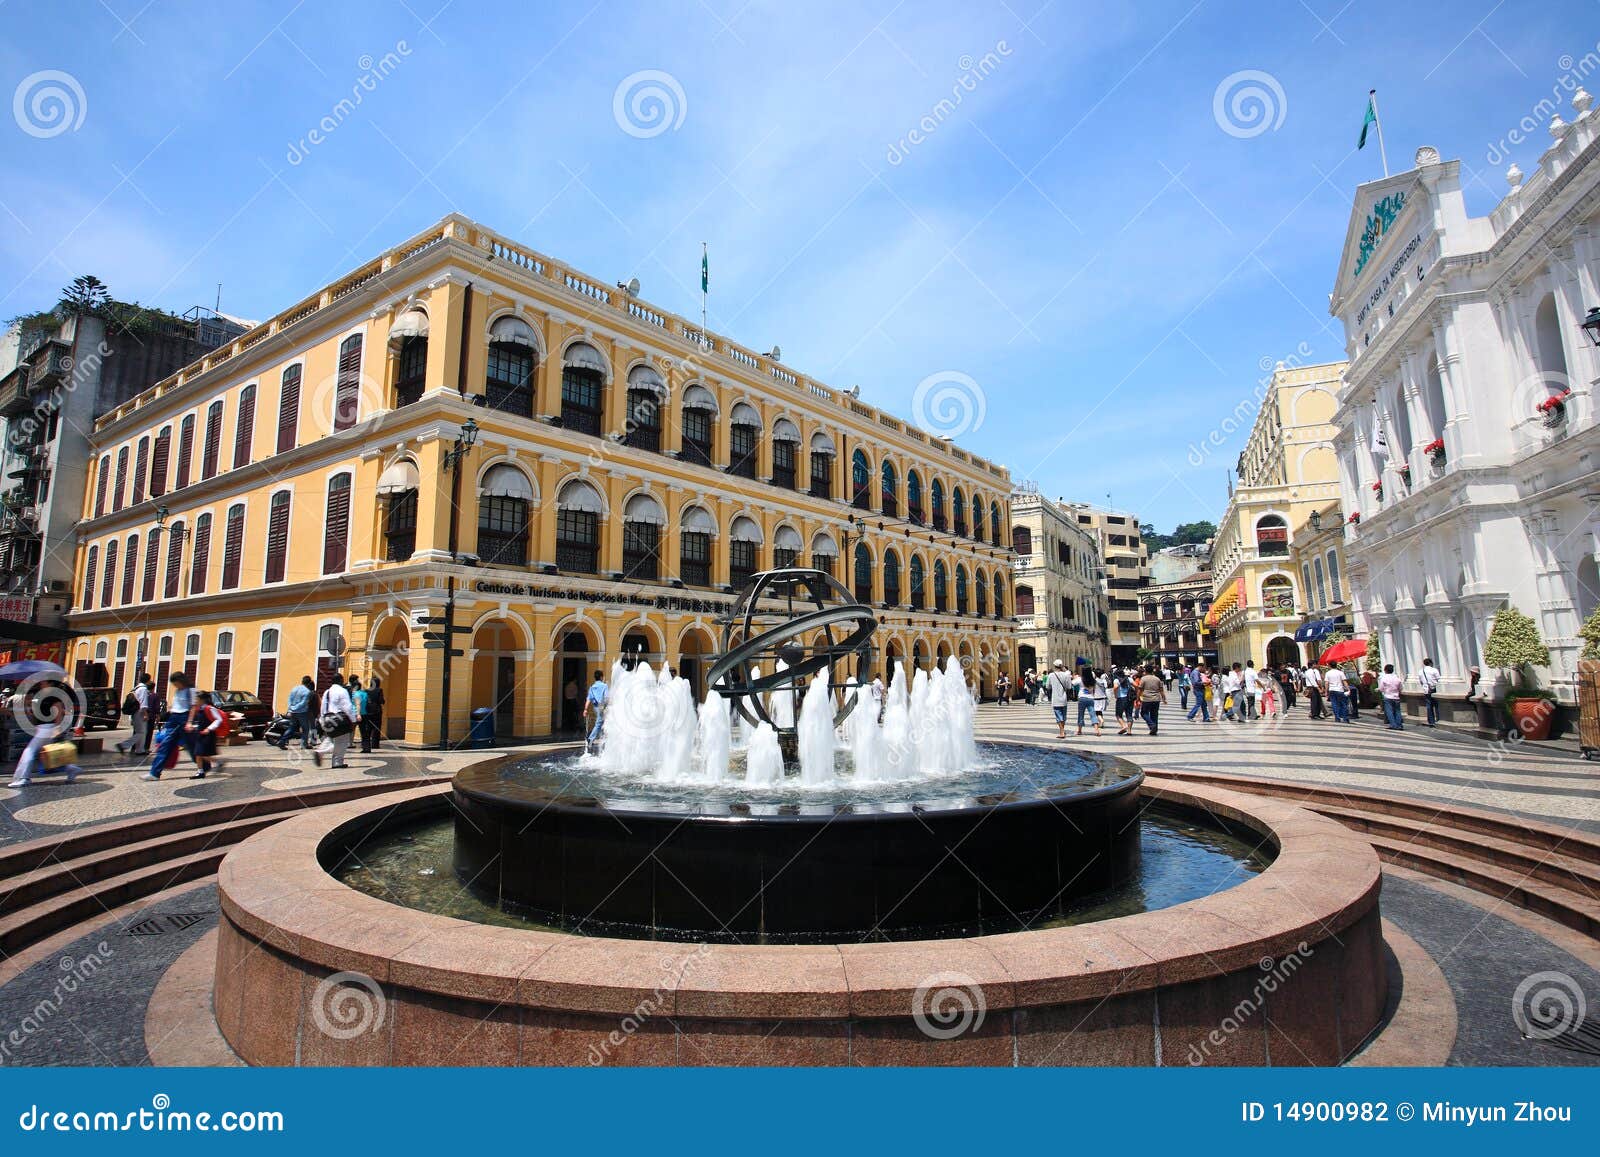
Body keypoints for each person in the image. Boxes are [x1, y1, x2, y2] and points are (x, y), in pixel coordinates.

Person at [7, 697, 82, 788]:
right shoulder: (39, 699)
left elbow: (58, 713)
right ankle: (71, 768)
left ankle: (23, 778)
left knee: (29, 752)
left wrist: (57, 728)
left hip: (46, 729)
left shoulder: (51, 699)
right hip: (44, 729)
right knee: (46, 756)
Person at [143, 672, 198, 781]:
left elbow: (193, 707)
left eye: (176, 683)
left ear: (182, 681)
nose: (176, 686)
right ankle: (154, 773)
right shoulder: (178, 691)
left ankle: (205, 765)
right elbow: (176, 705)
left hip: (184, 718)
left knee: (190, 746)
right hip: (174, 718)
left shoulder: (191, 690)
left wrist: (189, 722)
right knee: (165, 744)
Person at [313, 674, 357, 768]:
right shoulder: (342, 691)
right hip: (340, 719)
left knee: (331, 737)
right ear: (340, 681)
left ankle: (320, 751)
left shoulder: (327, 692)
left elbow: (323, 707)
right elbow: (347, 707)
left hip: (328, 718)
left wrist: (322, 720)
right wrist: (353, 719)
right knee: (342, 741)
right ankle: (337, 762)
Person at [190, 691, 225, 778]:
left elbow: (218, 719)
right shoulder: (200, 709)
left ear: (202, 700)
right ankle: (200, 771)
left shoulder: (210, 708)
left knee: (202, 754)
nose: (195, 701)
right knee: (198, 753)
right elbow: (199, 721)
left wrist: (209, 729)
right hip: (200, 733)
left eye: (197, 699)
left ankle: (217, 762)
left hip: (208, 734)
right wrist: (194, 726)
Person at [274, 676, 316, 749]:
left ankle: (282, 741)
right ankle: (304, 744)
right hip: (302, 712)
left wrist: (291, 707)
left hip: (293, 712)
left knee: (291, 728)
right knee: (305, 728)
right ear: (309, 683)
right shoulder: (307, 692)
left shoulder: (294, 688)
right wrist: (296, 708)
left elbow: (289, 699)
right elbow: (303, 703)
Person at [116, 674, 152, 756]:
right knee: (141, 732)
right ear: (148, 680)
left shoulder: (136, 688)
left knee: (141, 732)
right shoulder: (143, 689)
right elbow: (143, 703)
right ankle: (124, 745)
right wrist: (145, 714)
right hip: (140, 712)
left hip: (135, 712)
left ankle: (140, 750)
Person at [1046, 660, 1074, 739]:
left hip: (1055, 698)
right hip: (1064, 698)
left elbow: (1047, 686)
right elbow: (1069, 687)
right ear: (1061, 666)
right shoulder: (1066, 675)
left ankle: (1061, 732)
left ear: (1054, 666)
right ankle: (1062, 730)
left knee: (1058, 716)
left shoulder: (1051, 675)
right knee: (1063, 716)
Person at [583, 669, 609, 752]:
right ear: (601, 677)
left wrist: (585, 709)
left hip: (595, 707)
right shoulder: (604, 686)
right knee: (599, 723)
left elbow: (588, 699)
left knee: (602, 722)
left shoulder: (592, 687)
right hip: (602, 707)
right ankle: (591, 739)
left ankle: (605, 739)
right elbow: (606, 698)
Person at [1074, 664, 1103, 737]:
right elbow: (1093, 690)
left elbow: (1072, 683)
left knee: (1081, 714)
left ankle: (1079, 730)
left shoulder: (1080, 679)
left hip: (1082, 698)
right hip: (1090, 698)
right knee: (1093, 714)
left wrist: (1074, 677)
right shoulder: (1093, 679)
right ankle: (1097, 730)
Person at [1137, 664, 1166, 735]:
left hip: (1147, 699)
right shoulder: (1157, 679)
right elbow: (1161, 690)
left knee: (1143, 713)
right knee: (1154, 714)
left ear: (1145, 670)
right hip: (1156, 699)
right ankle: (1154, 729)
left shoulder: (1143, 679)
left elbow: (1140, 690)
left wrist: (1138, 698)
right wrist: (1164, 699)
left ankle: (1151, 725)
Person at [1378, 663, 1405, 729]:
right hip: (1396, 696)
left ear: (1385, 670)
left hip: (1388, 696)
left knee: (1389, 711)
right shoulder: (1397, 678)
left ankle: (1393, 724)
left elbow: (1381, 688)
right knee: (1397, 711)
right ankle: (1399, 724)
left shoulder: (1384, 678)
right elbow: (1401, 687)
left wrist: (1383, 690)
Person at [350, 676, 372, 753]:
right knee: (365, 732)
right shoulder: (365, 693)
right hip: (366, 714)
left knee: (352, 729)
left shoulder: (356, 694)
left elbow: (358, 704)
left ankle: (350, 743)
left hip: (357, 714)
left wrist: (358, 714)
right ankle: (367, 747)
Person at [1112, 667, 1135, 735]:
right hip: (1129, 698)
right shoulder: (1129, 679)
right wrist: (1135, 692)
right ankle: (1129, 731)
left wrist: (1115, 695)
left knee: (1118, 715)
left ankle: (1124, 726)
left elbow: (1115, 687)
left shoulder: (1116, 680)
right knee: (1129, 715)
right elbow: (1136, 685)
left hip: (1121, 699)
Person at [1418, 658, 1441, 727]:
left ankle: (1431, 721)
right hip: (1434, 688)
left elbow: (1421, 681)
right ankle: (1438, 719)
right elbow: (1439, 679)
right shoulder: (1434, 670)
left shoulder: (1420, 671)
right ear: (1431, 663)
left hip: (1426, 690)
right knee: (1437, 705)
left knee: (1429, 705)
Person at [365, 676, 385, 749]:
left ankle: (367, 744)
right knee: (376, 728)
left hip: (368, 711)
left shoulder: (366, 691)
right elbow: (381, 700)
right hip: (377, 711)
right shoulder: (379, 690)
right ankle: (375, 744)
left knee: (368, 728)